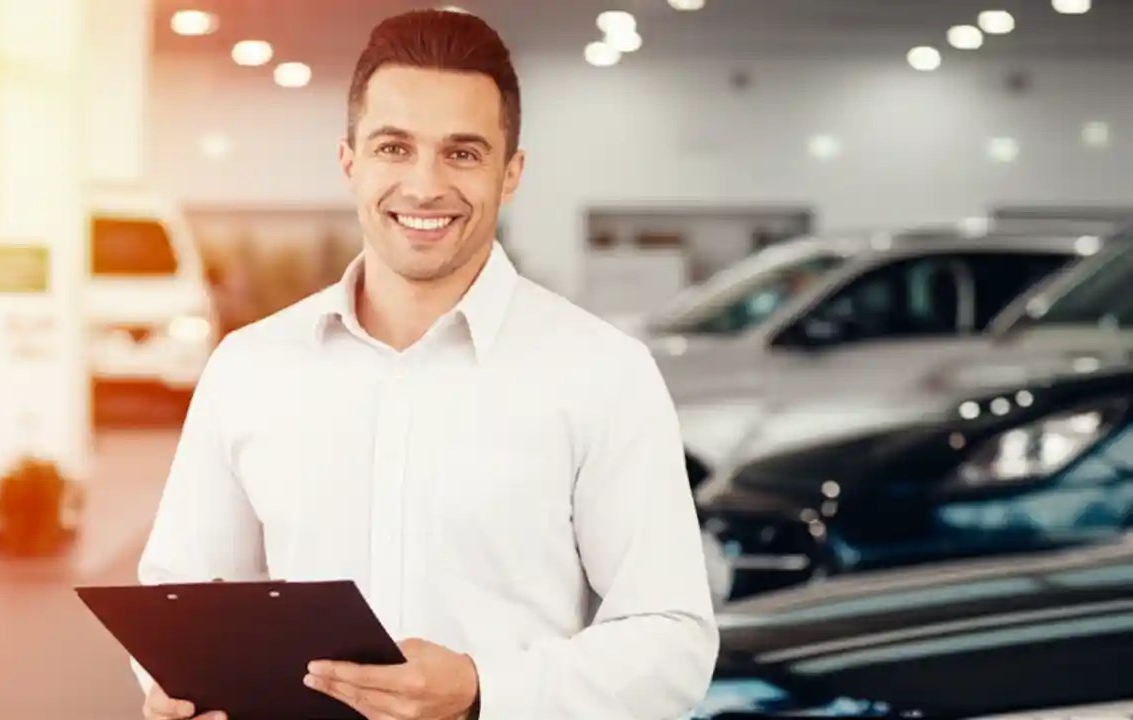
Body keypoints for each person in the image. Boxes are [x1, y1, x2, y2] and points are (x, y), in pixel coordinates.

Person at [135, 9, 718, 720]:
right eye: (393, 148)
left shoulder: (603, 374)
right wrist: (180, 689)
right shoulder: (250, 369)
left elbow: (673, 644)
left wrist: (482, 691)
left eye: (463, 153)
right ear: (350, 161)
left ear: (511, 174)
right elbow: (184, 595)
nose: (424, 185)